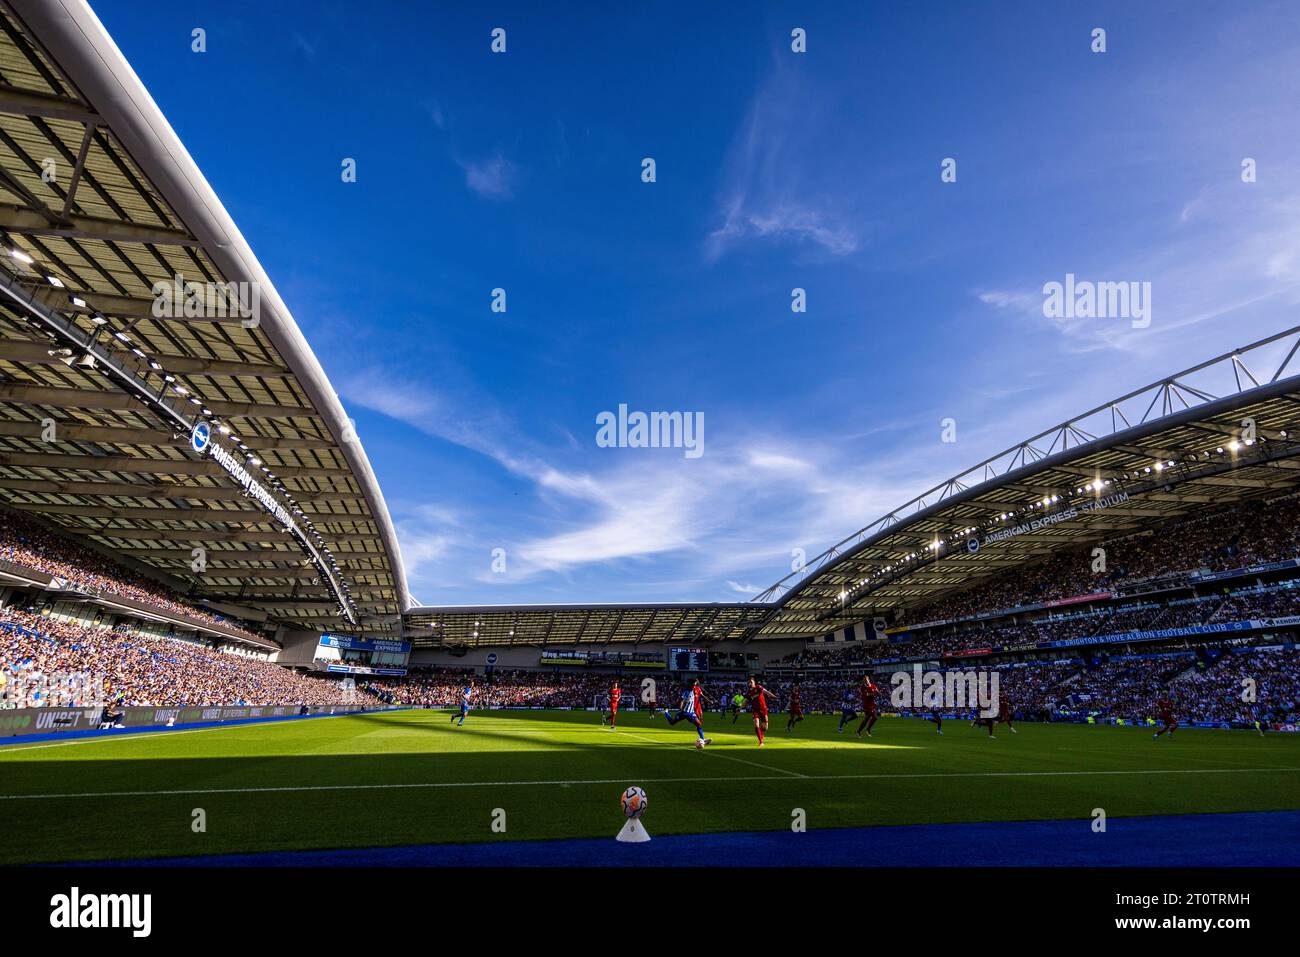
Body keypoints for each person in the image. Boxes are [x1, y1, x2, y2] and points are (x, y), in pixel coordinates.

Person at [664, 678, 712, 747]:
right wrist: (681, 708)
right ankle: (666, 712)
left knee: (699, 724)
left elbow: (698, 686)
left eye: (695, 684)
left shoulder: (694, 689)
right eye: (693, 685)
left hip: (691, 713)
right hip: (684, 712)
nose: (694, 686)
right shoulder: (686, 692)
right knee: (672, 722)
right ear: (690, 685)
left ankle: (702, 739)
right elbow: (682, 700)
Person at [744, 676, 777, 746]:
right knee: (756, 724)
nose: (749, 683)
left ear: (754, 682)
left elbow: (766, 692)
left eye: (751, 682)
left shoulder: (759, 687)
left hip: (763, 709)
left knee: (765, 728)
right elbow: (746, 701)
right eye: (749, 682)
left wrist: (773, 696)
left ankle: (760, 732)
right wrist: (740, 708)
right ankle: (761, 742)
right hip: (755, 709)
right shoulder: (749, 692)